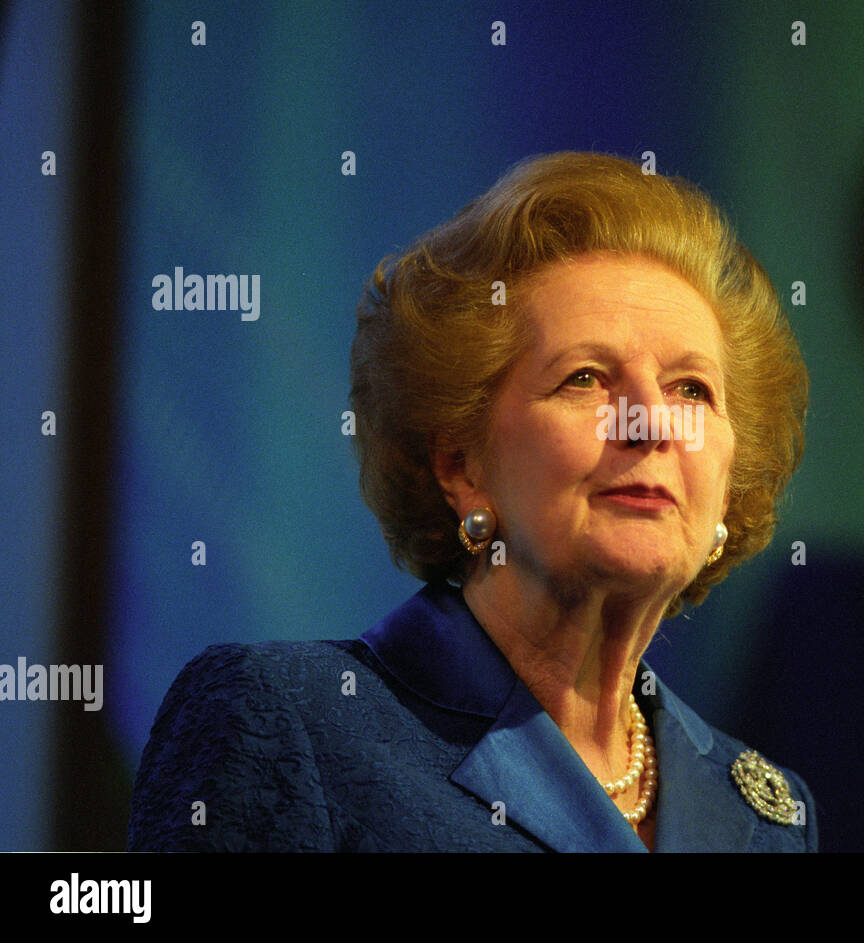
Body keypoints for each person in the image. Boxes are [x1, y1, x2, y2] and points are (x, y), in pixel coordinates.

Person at [126, 151, 816, 852]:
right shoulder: (290, 723)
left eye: (691, 389)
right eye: (585, 377)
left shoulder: (766, 814)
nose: (651, 423)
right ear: (462, 465)